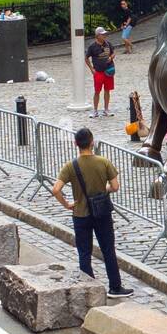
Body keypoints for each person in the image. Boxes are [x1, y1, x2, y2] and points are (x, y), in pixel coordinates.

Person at [50, 127, 134, 299]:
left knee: (84, 252)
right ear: (92, 142)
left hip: (80, 214)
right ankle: (115, 287)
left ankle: (88, 289)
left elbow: (56, 189)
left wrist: (67, 204)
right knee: (108, 250)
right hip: (102, 213)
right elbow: (115, 186)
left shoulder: (70, 166)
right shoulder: (103, 162)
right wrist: (104, 189)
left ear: (76, 144)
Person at [86, 27, 116, 118]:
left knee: (107, 90)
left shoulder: (108, 44)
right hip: (98, 72)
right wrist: (92, 69)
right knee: (97, 91)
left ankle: (106, 110)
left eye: (105, 34)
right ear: (97, 36)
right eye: (103, 34)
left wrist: (111, 57)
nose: (105, 36)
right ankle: (95, 110)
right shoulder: (92, 47)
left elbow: (113, 52)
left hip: (108, 71)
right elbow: (86, 58)